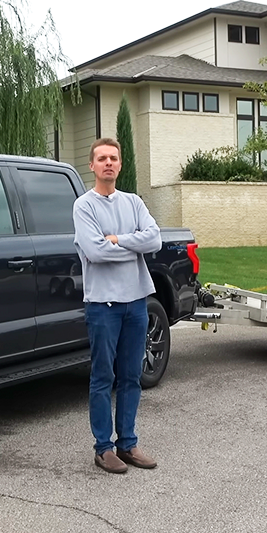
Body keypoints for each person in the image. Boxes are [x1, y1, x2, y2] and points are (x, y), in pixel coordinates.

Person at [72, 137, 162, 474]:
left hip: (136, 302)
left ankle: (128, 444)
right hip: (103, 307)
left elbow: (154, 239)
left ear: (120, 165)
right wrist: (132, 246)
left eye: (113, 158)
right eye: (101, 158)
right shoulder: (84, 206)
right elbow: (95, 252)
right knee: (102, 377)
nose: (108, 163)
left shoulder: (134, 203)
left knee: (130, 376)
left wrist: (119, 239)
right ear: (92, 165)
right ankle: (103, 447)